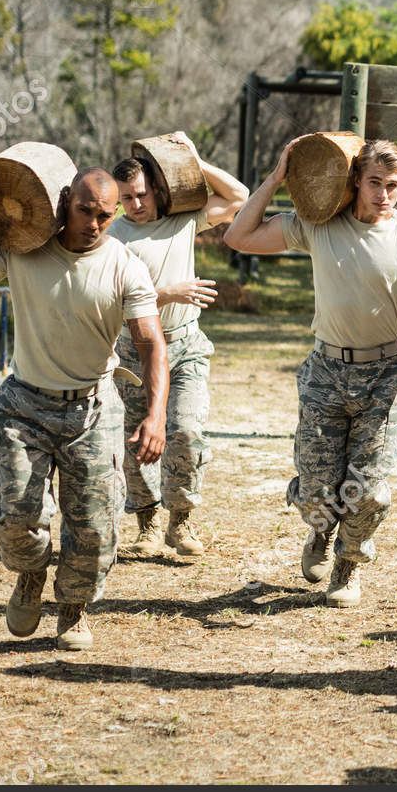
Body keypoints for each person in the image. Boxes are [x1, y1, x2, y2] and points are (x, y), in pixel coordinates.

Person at [224, 137, 397, 608]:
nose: (384, 194)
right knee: (316, 488)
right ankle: (320, 530)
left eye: (394, 185)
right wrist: (279, 175)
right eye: (375, 183)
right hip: (325, 370)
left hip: (384, 376)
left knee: (368, 491)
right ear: (356, 180)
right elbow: (238, 237)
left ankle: (348, 563)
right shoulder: (319, 225)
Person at [0, 161, 167, 651]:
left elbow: (151, 345)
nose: (93, 224)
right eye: (84, 211)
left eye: (104, 214)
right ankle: (32, 575)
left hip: (93, 411)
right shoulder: (22, 249)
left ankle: (73, 609)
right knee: (15, 519)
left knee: (95, 528)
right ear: (63, 204)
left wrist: (156, 412)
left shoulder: (126, 265)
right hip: (25, 405)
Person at [109, 135, 248, 557]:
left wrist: (191, 158)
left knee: (185, 431)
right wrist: (167, 293)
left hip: (185, 344)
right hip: (133, 352)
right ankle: (147, 525)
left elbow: (239, 196)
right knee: (136, 441)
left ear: (157, 188)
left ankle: (180, 522)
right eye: (126, 198)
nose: (135, 205)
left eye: (141, 194)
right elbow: (111, 302)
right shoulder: (112, 238)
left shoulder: (183, 219)